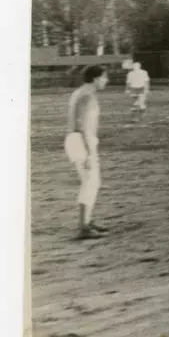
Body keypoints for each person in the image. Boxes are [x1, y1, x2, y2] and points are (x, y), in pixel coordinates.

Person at [65, 65, 109, 239]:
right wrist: (90, 153)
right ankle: (84, 227)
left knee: (92, 182)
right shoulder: (88, 96)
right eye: (104, 77)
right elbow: (83, 126)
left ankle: (87, 222)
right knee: (90, 183)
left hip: (77, 139)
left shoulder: (80, 93)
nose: (106, 81)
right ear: (96, 78)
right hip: (81, 140)